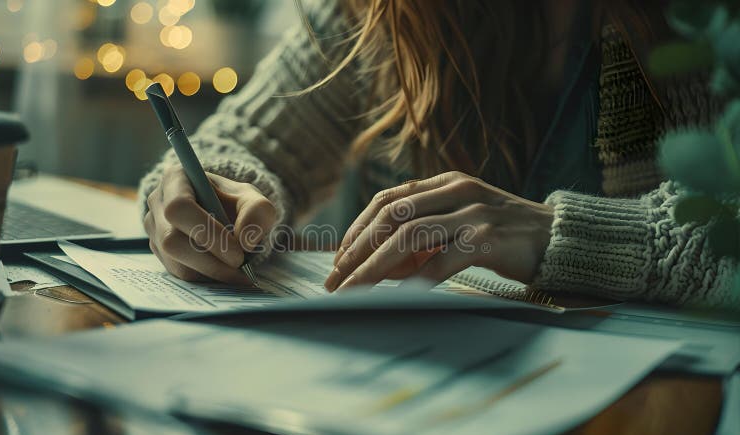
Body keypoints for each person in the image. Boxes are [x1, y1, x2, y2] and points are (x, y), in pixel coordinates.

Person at [140, 0, 738, 309]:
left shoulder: (707, 24)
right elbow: (237, 145)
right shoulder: (384, 14)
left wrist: (560, 234)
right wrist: (213, 191)